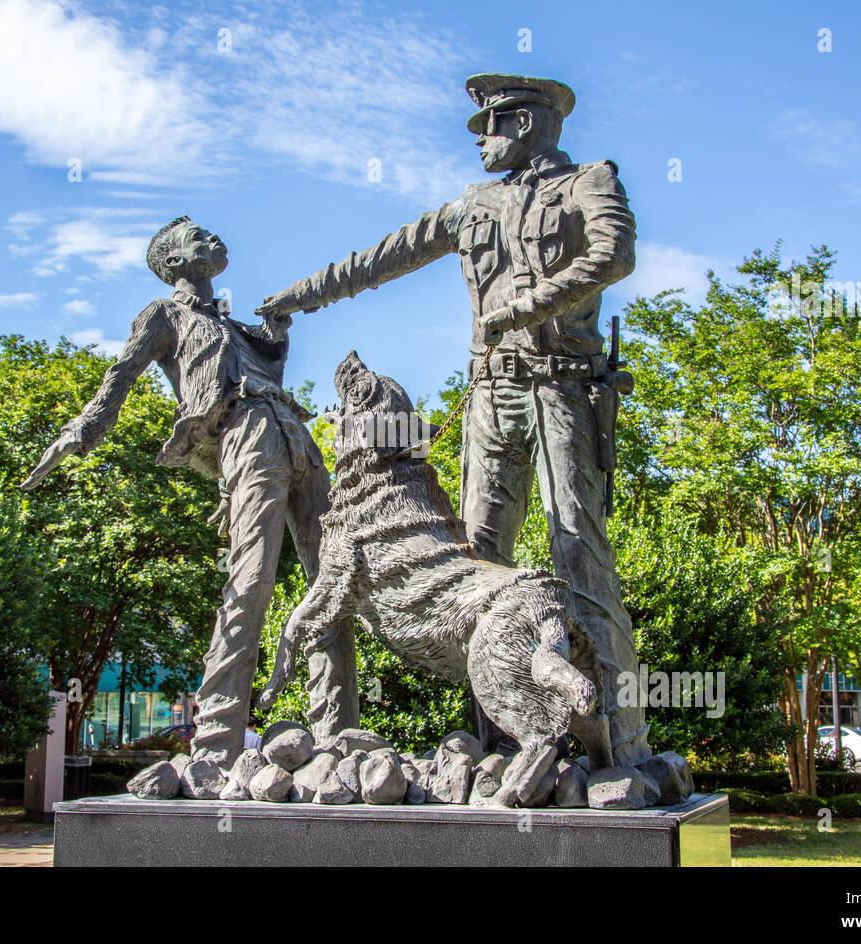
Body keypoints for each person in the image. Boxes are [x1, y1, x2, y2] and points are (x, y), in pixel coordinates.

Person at [256, 74, 650, 767]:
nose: (481, 144)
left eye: (490, 129)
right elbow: (380, 258)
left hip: (563, 392)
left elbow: (613, 255)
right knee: (480, 565)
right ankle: (507, 743)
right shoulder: (472, 206)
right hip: (490, 398)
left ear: (525, 124)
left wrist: (525, 307)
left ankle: (622, 746)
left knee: (579, 556)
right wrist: (296, 297)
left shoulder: (590, 181)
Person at [22, 218, 358, 772]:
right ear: (173, 263)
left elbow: (266, 365)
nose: (216, 239)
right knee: (251, 579)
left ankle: (337, 731)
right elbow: (119, 378)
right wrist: (76, 435)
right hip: (245, 435)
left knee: (335, 578)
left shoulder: (231, 321)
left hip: (294, 433)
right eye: (199, 237)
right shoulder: (163, 316)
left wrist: (276, 330)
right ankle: (217, 742)